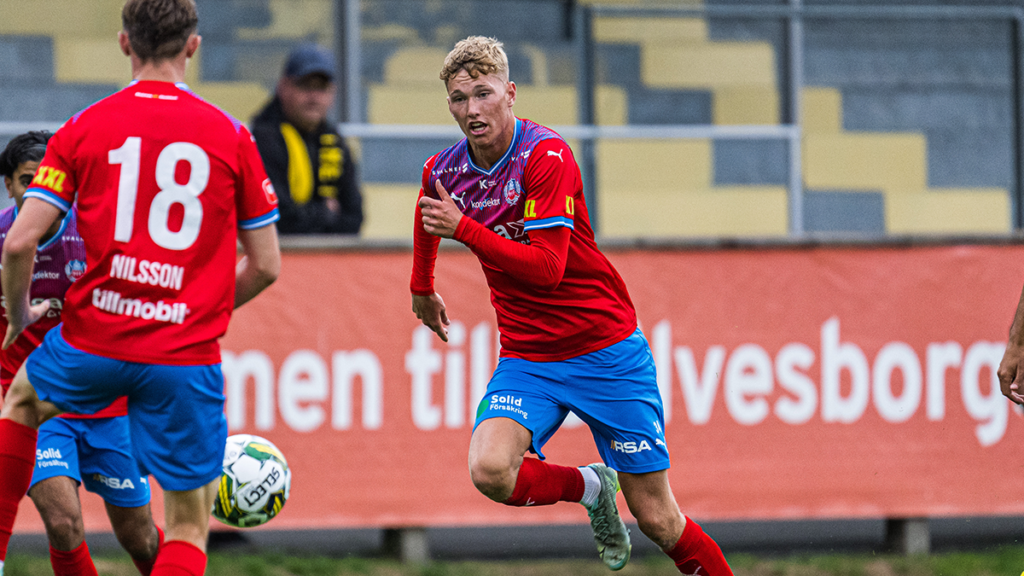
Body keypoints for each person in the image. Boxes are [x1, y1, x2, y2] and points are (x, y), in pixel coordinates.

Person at [411, 36, 734, 574]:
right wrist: (422, 285)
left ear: (510, 94)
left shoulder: (546, 156)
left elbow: (546, 268)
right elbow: (428, 212)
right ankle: (589, 485)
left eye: (483, 94)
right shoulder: (444, 170)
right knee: (490, 469)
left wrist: (464, 230)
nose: (472, 110)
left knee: (657, 518)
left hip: (603, 350)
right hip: (529, 357)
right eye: (459, 98)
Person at [0, 1, 281, 575]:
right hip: (182, 352)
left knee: (21, 401)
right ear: (193, 47)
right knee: (184, 526)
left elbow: (17, 243)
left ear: (126, 44)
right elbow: (267, 266)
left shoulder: (84, 127)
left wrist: (20, 313)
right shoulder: (232, 136)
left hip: (93, 342)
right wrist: (196, 313)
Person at [0, 131, 162, 575]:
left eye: (44, 180)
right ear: (9, 185)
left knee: (139, 537)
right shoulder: (2, 241)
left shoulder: (94, 238)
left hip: (106, 404)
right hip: (35, 406)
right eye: (25, 180)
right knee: (63, 523)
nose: (36, 191)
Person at [250, 43, 363, 235]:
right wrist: (326, 213)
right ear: (283, 87)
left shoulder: (334, 140)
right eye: (305, 86)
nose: (314, 97)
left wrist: (307, 215)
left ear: (332, 93)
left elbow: (354, 218)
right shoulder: (262, 137)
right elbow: (276, 216)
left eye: (321, 88)